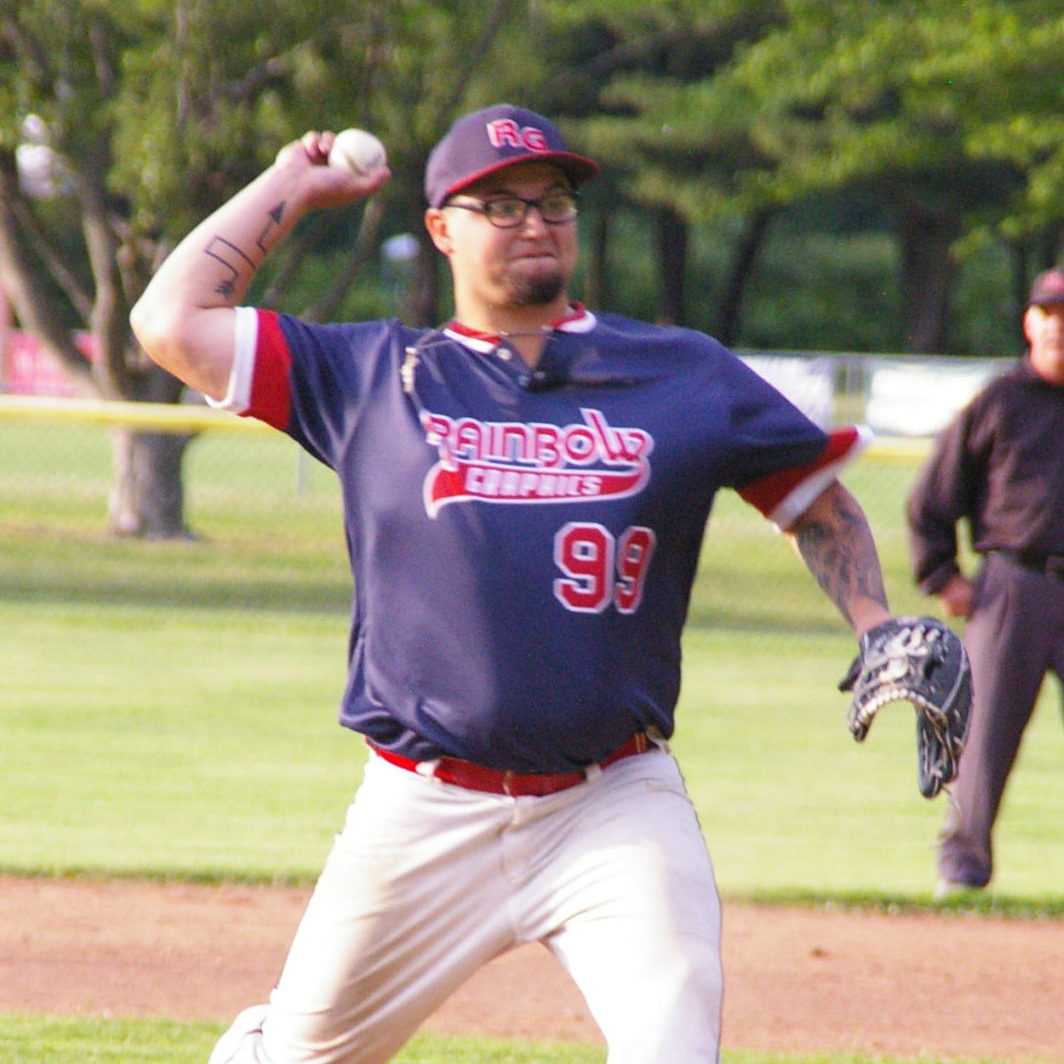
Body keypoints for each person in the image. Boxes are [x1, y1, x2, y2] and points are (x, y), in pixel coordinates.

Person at [131, 103, 897, 1064]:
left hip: (612, 803)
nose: (534, 221)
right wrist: (293, 185)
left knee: (673, 1047)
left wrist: (877, 623)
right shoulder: (372, 375)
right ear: (443, 229)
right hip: (421, 806)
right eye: (500, 204)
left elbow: (816, 505)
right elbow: (168, 321)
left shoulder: (681, 372)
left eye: (553, 200)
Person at [907, 266, 1064, 897]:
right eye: (1050, 314)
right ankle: (964, 870)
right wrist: (943, 576)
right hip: (1014, 585)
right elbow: (930, 499)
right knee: (985, 733)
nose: (1060, 327)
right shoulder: (999, 402)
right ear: (1031, 323)